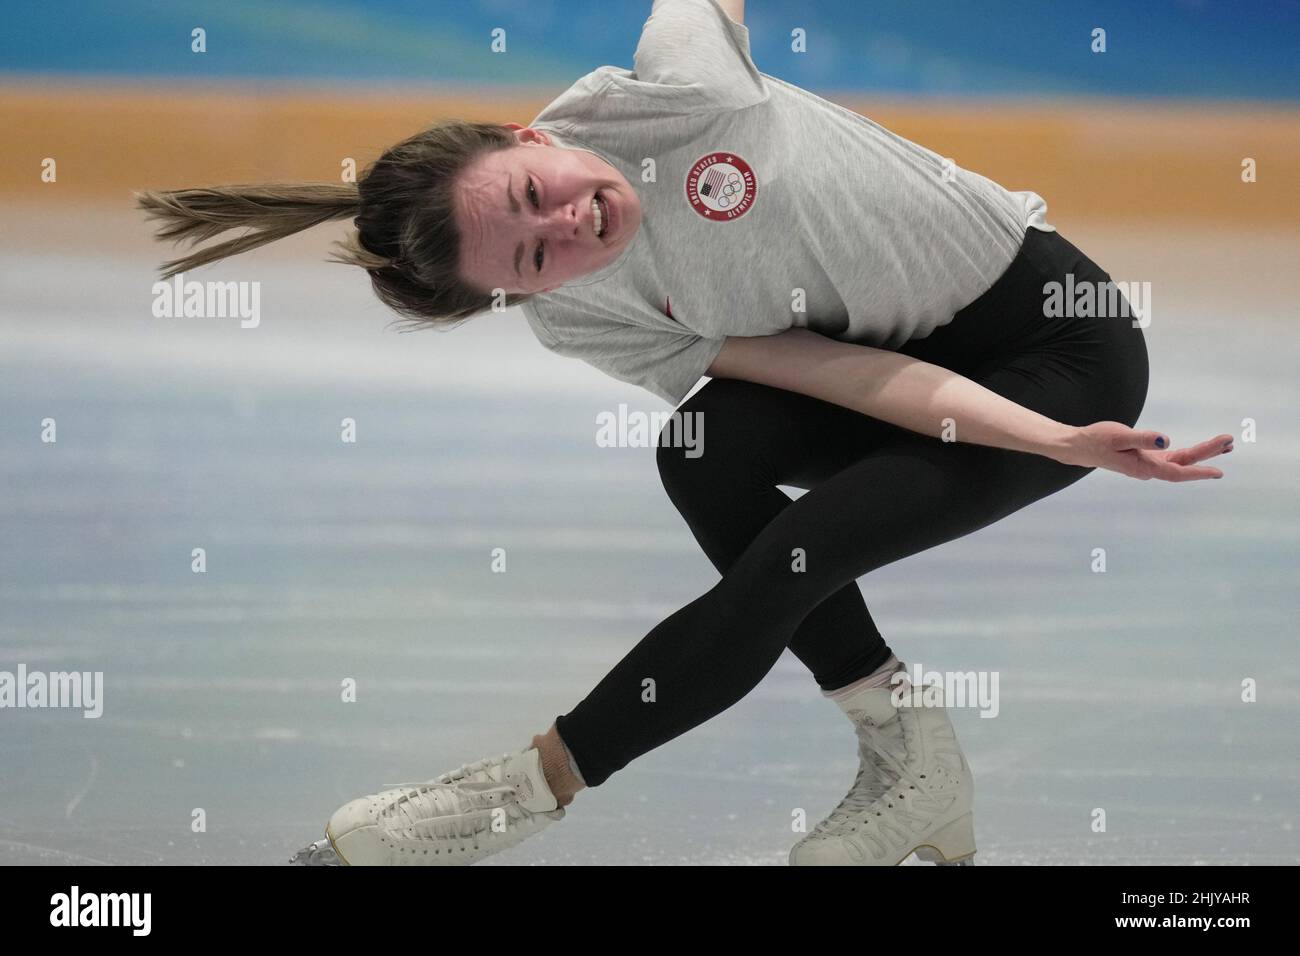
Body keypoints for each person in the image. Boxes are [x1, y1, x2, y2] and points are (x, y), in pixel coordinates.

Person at [138, 0, 1232, 866]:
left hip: (1060, 350)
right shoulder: (581, 316)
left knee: (792, 555)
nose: (568, 223)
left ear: (531, 136)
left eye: (535, 190)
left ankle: (525, 789)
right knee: (707, 451)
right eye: (534, 255)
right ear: (523, 295)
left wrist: (1057, 433)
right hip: (909, 376)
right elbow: (842, 373)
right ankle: (910, 754)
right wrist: (1037, 441)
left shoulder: (674, 87)